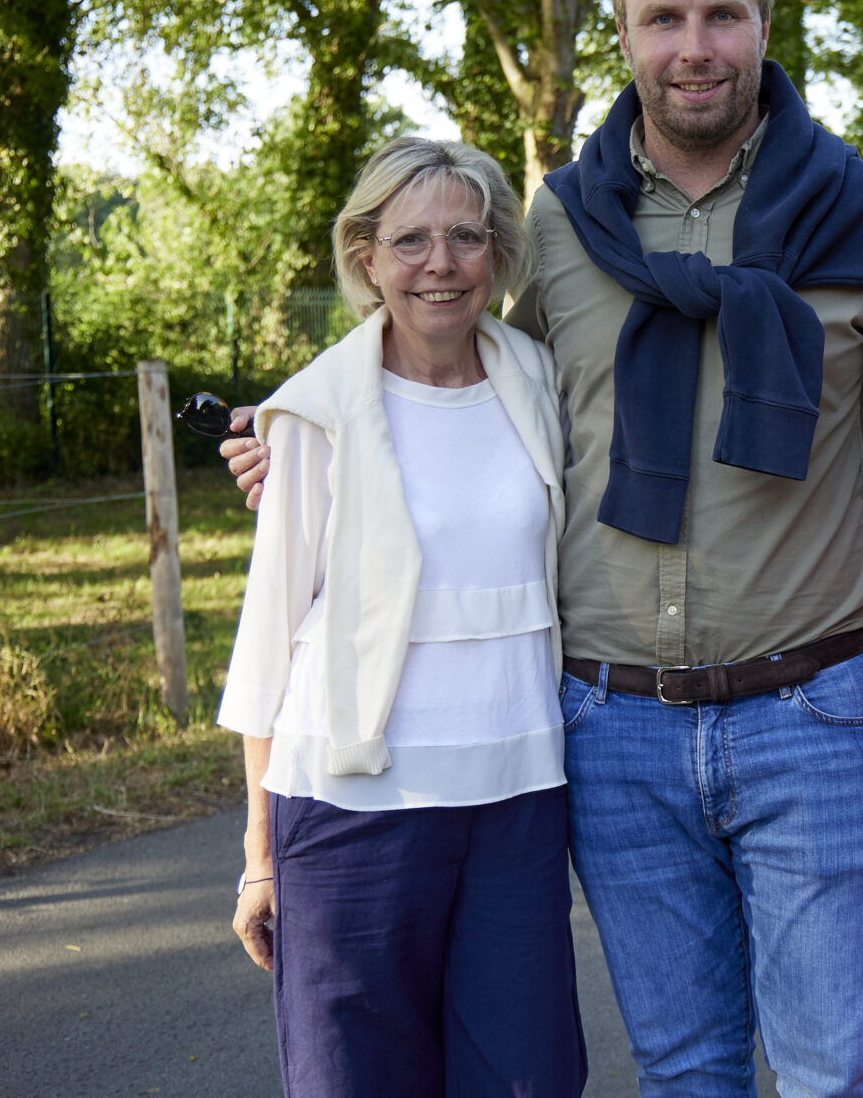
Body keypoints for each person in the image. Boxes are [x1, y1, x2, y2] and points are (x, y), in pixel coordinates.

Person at [225, 0, 863, 1097]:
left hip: (817, 713)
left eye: (721, 14)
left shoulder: (851, 209)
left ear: (763, 27)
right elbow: (451, 364)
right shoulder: (565, 224)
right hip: (612, 729)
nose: (694, 45)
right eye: (663, 17)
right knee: (682, 1071)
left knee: (837, 1071)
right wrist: (305, 431)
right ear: (623, 37)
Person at [215, 138, 583, 1098]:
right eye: (410, 239)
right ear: (367, 256)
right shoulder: (313, 414)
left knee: (527, 1076)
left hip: (517, 796)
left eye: (466, 235)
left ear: (498, 251)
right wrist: (259, 858)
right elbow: (266, 645)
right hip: (351, 807)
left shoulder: (537, 382)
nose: (440, 263)